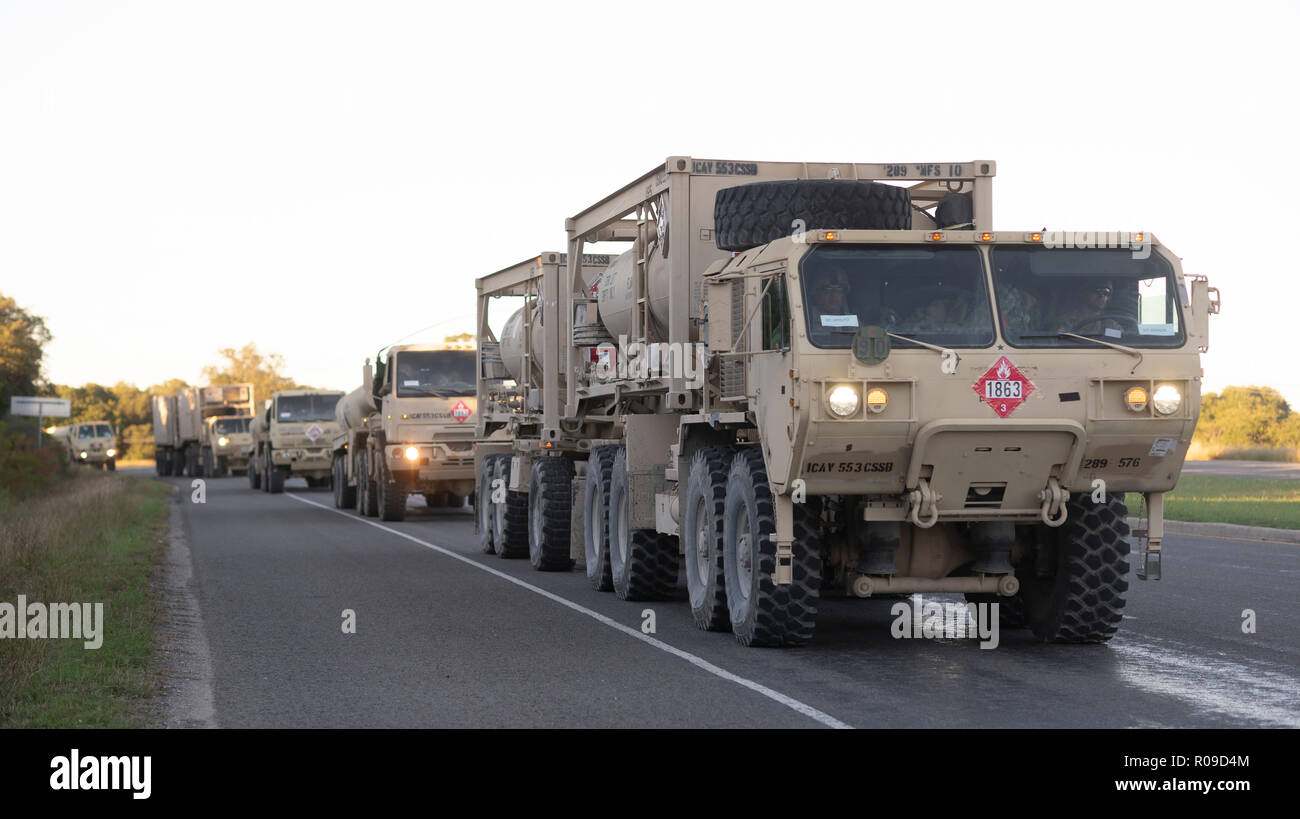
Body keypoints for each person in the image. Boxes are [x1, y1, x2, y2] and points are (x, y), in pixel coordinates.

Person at [1056, 278, 1120, 334]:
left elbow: (1120, 340)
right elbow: (1055, 342)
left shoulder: (1109, 325)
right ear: (1084, 293)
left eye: (1106, 292)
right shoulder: (1066, 320)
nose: (1102, 296)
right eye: (1097, 290)